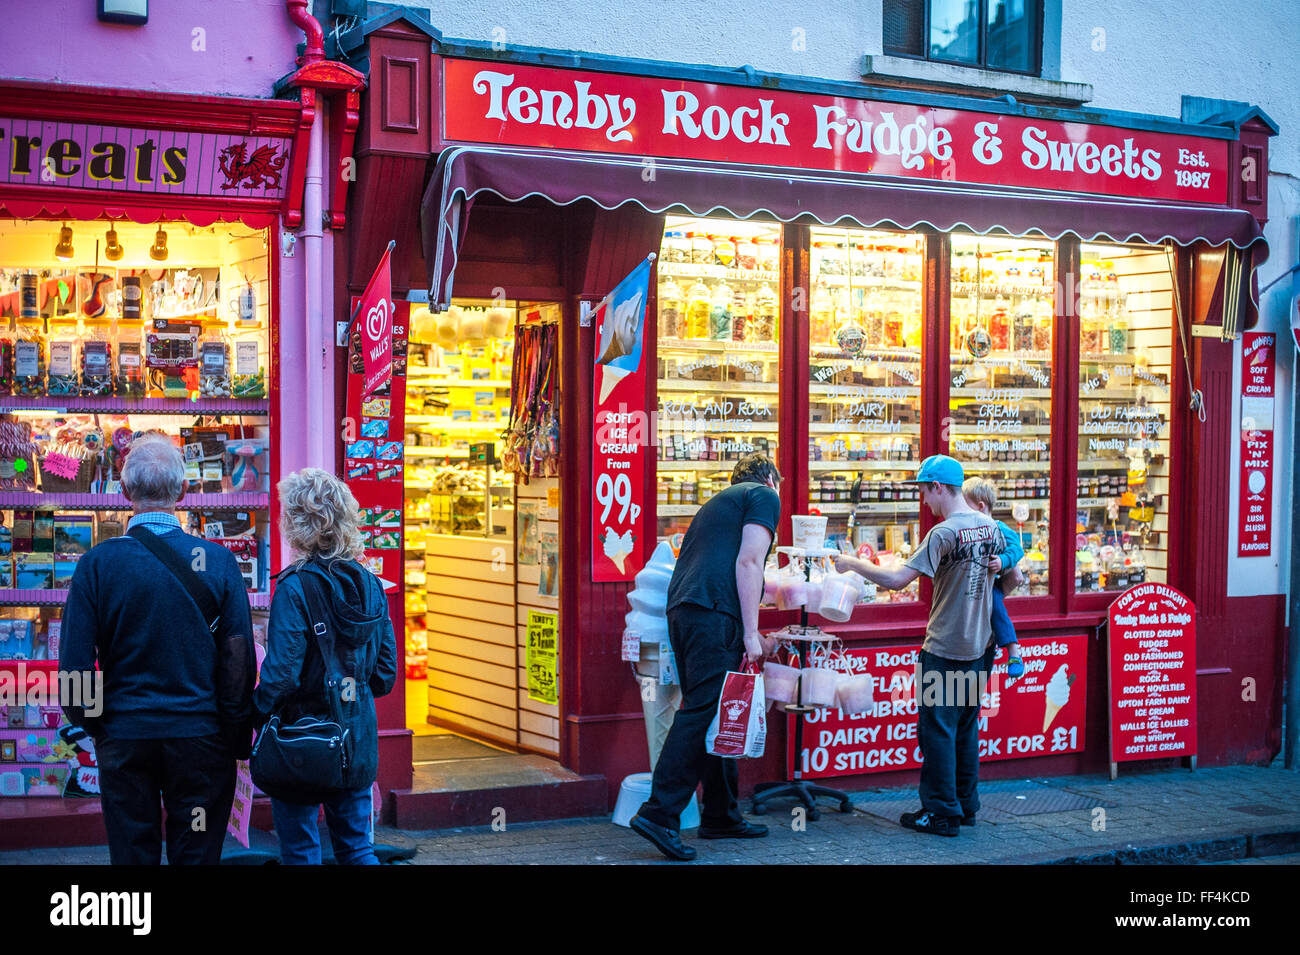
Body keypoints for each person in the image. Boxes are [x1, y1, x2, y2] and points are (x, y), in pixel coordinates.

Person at [60, 434, 255, 865]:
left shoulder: (97, 564)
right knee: (197, 846)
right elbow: (238, 662)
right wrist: (237, 736)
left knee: (133, 853)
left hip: (127, 743)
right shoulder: (218, 561)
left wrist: (98, 728)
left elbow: (75, 667)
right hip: (200, 748)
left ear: (125, 491)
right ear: (183, 492)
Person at [835, 454, 1000, 837]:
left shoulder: (942, 533)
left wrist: (850, 563)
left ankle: (941, 814)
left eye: (925, 492)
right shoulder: (991, 528)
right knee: (964, 728)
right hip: (979, 648)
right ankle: (966, 806)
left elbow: (896, 581)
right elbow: (1013, 579)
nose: (924, 501)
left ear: (939, 487)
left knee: (936, 731)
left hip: (943, 648)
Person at [629, 452, 781, 861]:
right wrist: (751, 633)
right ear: (770, 478)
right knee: (701, 710)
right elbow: (748, 562)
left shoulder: (718, 504)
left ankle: (721, 814)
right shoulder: (763, 496)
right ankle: (658, 814)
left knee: (716, 709)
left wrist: (749, 627)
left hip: (688, 612)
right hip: (713, 615)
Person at [254, 468, 398, 865]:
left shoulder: (295, 587)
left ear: (297, 524)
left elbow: (281, 676)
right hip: (357, 737)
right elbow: (385, 675)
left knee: (301, 851)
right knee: (357, 849)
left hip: (302, 739)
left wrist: (253, 712)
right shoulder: (372, 584)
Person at [962, 478, 1026, 679]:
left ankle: (1013, 650)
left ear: (980, 506)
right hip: (970, 588)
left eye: (965, 505)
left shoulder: (999, 528)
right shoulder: (967, 527)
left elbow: (1017, 549)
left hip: (989, 584)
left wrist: (1002, 560)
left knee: (995, 606)